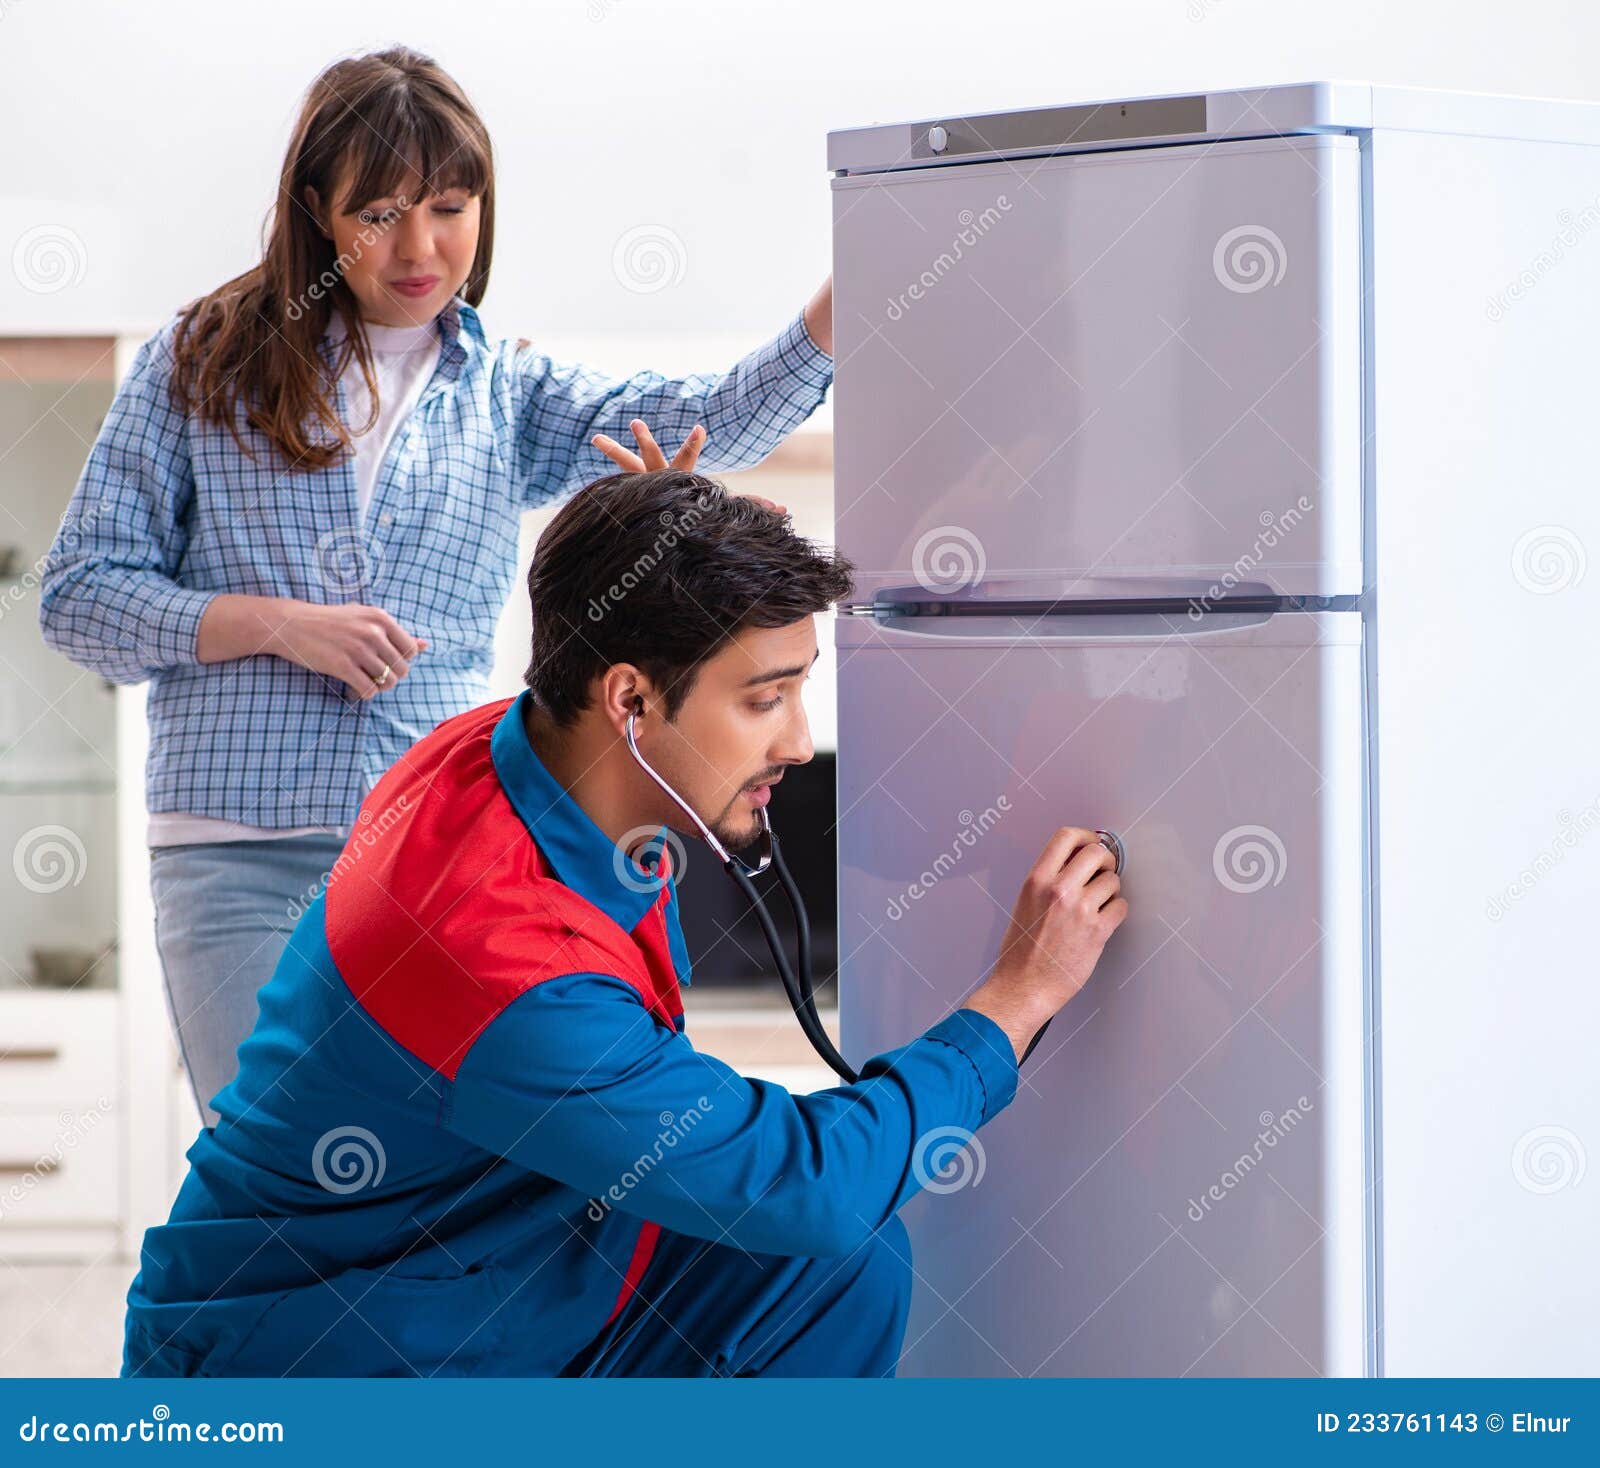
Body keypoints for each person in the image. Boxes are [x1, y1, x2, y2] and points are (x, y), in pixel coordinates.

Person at [119, 469, 1129, 1379]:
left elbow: (599, 636)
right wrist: (1017, 995)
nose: (798, 739)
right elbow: (804, 1180)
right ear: (632, 701)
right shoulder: (505, 965)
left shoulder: (515, 742)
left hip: (497, 1267)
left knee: (840, 1265)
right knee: (822, 1219)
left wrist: (660, 540)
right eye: (764, 698)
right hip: (322, 1364)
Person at [38, 46, 832, 1125]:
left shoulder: (506, 392)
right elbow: (79, 597)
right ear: (317, 210)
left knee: (439, 1173)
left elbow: (713, 418)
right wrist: (276, 624)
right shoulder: (197, 366)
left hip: (438, 849)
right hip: (240, 859)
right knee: (278, 1170)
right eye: (377, 214)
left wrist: (849, 298)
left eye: (450, 207)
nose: (419, 249)